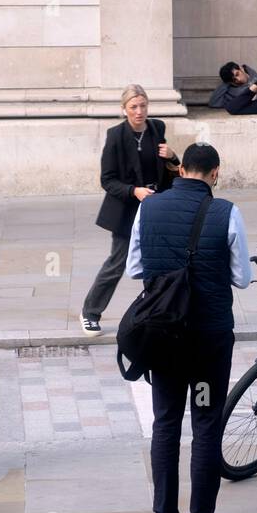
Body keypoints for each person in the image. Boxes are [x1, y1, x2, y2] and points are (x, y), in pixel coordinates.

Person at [127, 143, 248, 513]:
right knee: (206, 423)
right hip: (209, 337)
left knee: (165, 423)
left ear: (181, 172)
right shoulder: (226, 212)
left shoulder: (149, 207)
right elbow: (242, 276)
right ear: (215, 173)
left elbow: (135, 268)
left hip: (164, 335)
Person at [81, 84, 180, 334]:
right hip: (127, 209)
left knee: (159, 263)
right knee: (117, 262)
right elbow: (107, 179)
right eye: (133, 107)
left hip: (154, 207)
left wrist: (172, 156)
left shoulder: (157, 128)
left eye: (143, 106)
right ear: (124, 109)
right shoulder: (116, 136)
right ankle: (90, 312)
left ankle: (157, 311)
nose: (139, 111)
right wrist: (133, 191)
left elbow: (169, 170)